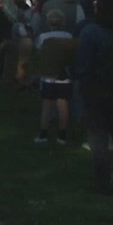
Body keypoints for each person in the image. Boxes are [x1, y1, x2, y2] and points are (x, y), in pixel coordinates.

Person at [73, 0, 113, 195]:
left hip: (96, 91)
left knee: (99, 139)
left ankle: (103, 181)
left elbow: (83, 65)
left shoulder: (91, 32)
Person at [34, 10, 76, 144]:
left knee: (47, 105)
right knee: (63, 105)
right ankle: (62, 135)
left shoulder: (43, 37)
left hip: (48, 75)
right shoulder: (68, 36)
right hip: (64, 74)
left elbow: (38, 52)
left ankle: (43, 134)